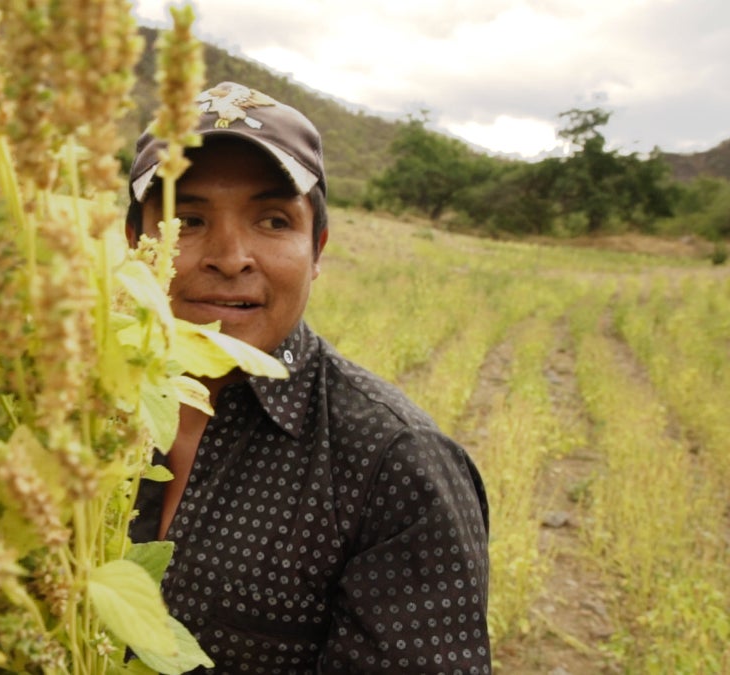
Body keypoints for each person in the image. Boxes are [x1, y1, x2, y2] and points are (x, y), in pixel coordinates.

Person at [125, 82, 491, 674]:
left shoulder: (396, 466)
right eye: (187, 220)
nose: (230, 257)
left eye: (273, 220)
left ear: (317, 248)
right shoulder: (63, 410)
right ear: (135, 246)